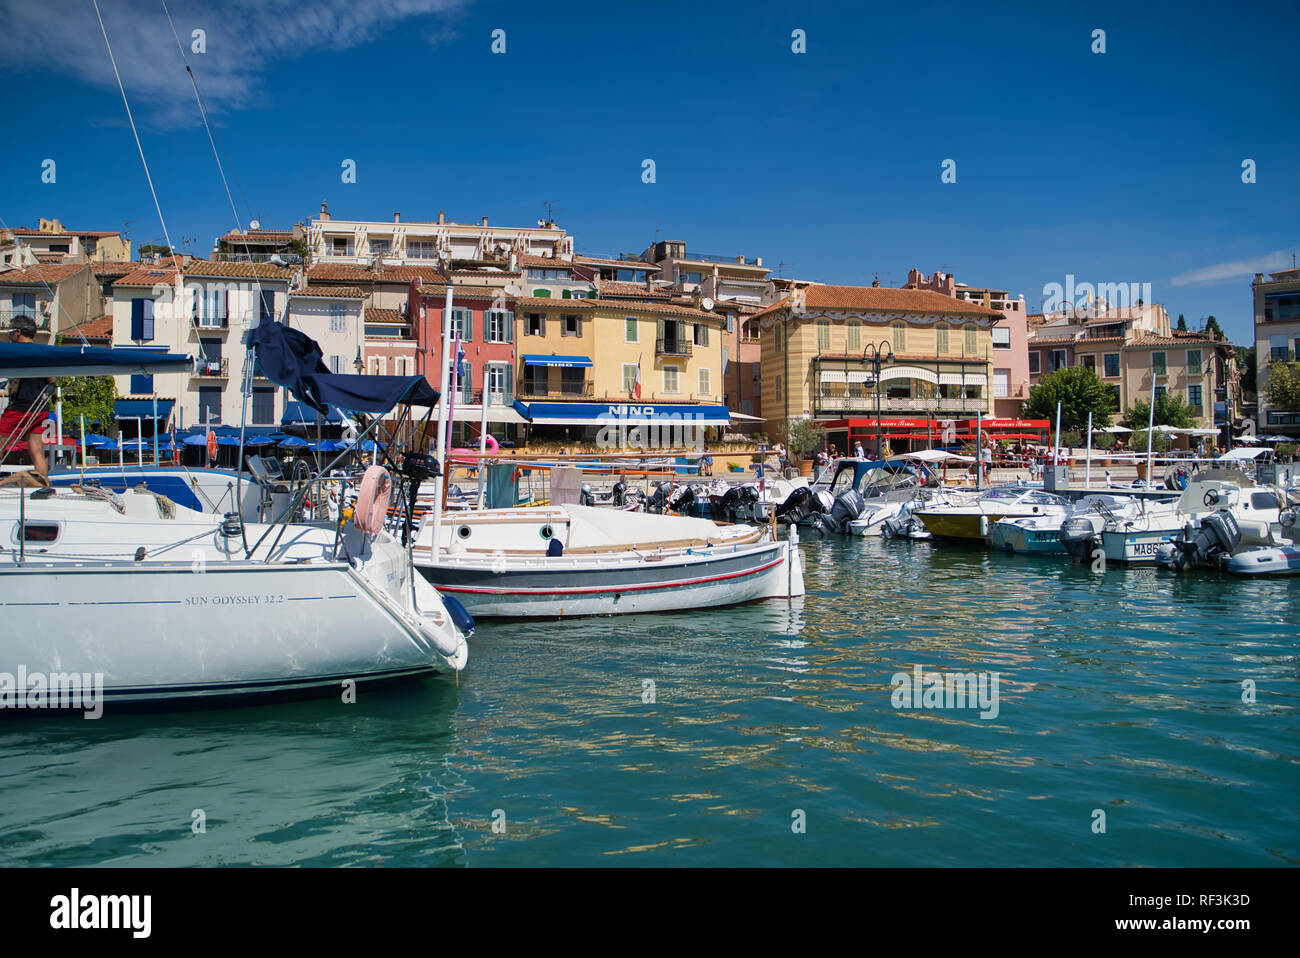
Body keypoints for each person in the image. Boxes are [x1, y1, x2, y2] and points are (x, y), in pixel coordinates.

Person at [0, 316, 53, 488]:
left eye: (10, 333)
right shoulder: (44, 352)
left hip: (21, 408)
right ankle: (43, 484)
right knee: (37, 449)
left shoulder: (16, 352)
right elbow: (52, 380)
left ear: (18, 333)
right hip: (42, 408)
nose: (9, 337)